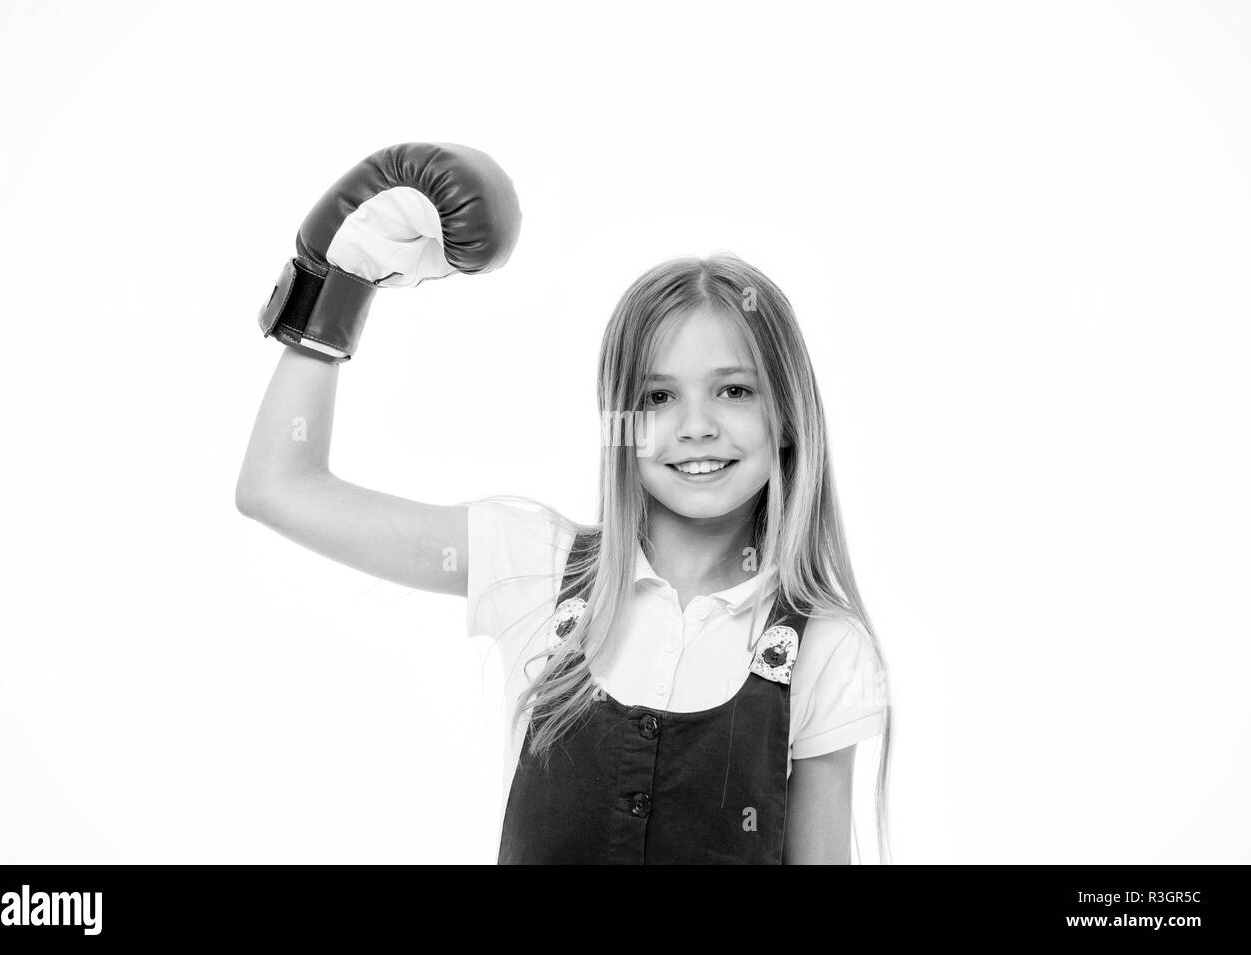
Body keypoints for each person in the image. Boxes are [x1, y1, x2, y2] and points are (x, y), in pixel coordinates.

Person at [237, 143, 892, 865]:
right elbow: (279, 487)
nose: (696, 425)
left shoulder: (823, 648)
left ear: (789, 416)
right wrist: (336, 283)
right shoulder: (538, 570)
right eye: (658, 396)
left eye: (734, 389)